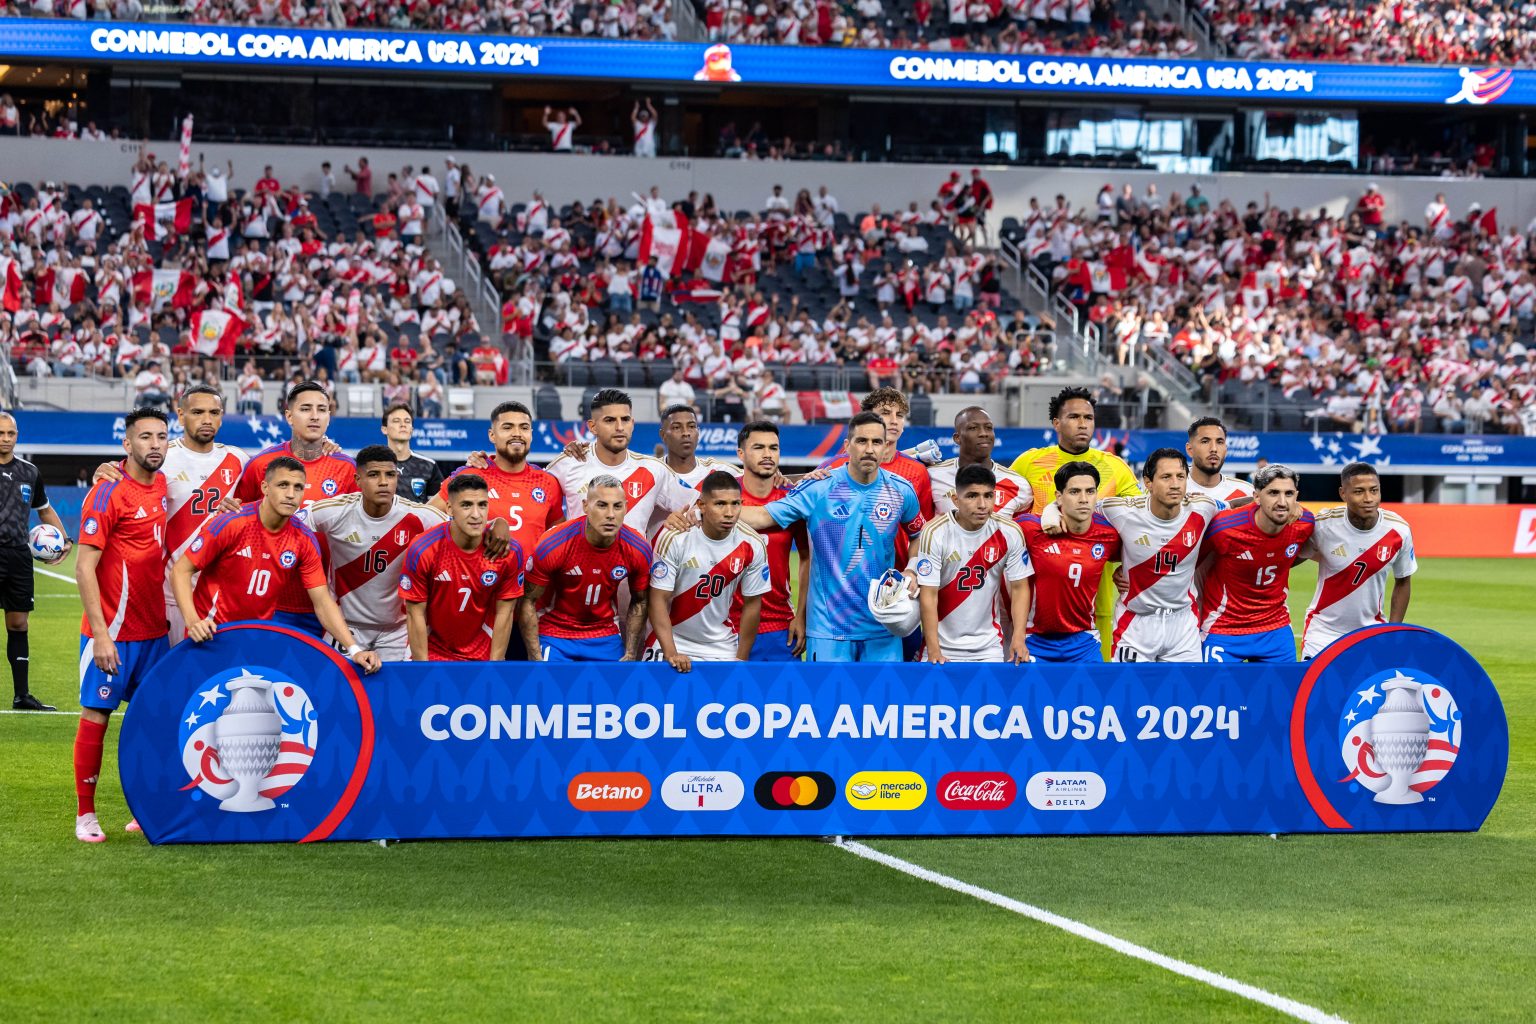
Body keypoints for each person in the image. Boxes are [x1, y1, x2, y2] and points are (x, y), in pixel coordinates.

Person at [727, 412, 924, 663]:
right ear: (847, 446)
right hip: (829, 629)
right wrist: (706, 511)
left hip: (882, 627)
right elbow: (763, 516)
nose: (869, 449)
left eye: (877, 442)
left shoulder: (901, 490)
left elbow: (920, 535)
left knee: (881, 701)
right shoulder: (819, 488)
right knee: (831, 702)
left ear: (886, 446)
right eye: (862, 441)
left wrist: (912, 569)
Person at [171, 457, 380, 676]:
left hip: (254, 639)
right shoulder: (231, 522)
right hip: (210, 635)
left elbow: (322, 601)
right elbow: (181, 571)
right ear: (265, 487)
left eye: (298, 487)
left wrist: (354, 649)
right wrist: (193, 621)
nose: (291, 494)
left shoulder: (303, 539)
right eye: (283, 485)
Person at [72, 409, 169, 842]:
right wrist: (101, 635)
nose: (155, 444)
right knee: (97, 715)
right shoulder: (108, 491)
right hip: (112, 633)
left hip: (154, 633)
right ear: (126, 444)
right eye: (145, 437)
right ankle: (85, 815)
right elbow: (83, 567)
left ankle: (143, 809)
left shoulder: (165, 484)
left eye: (161, 437)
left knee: (154, 720)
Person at [95, 384, 250, 645]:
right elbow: (127, 482)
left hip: (220, 596)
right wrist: (104, 469)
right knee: (171, 680)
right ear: (180, 415)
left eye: (214, 412)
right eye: (198, 412)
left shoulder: (239, 460)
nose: (206, 419)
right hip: (169, 596)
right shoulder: (164, 456)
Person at [232, 381, 358, 637]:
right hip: (269, 600)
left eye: (322, 409)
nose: (314, 416)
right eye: (306, 409)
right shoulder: (262, 464)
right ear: (289, 416)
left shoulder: (346, 468)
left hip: (326, 601)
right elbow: (239, 523)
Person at [302, 446, 448, 662]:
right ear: (358, 479)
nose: (383, 482)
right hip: (346, 625)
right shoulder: (335, 511)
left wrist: (494, 525)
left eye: (390, 475)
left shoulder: (418, 516)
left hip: (397, 630)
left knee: (397, 692)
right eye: (373, 475)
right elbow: (288, 521)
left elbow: (464, 529)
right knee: (339, 690)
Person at [1087, 449, 1218, 663]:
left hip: (1183, 626)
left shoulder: (1204, 507)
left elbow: (1239, 507)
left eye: (1180, 476)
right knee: (1131, 695)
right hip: (1136, 625)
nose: (1175, 484)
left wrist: (1291, 507)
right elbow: (1080, 508)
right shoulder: (1121, 510)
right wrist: (1052, 512)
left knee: (1186, 696)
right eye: (1166, 477)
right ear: (1147, 482)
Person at [520, 476, 653, 662]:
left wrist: (630, 652)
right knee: (551, 689)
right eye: (601, 505)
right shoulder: (554, 544)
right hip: (555, 634)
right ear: (585, 506)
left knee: (614, 690)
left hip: (604, 634)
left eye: (617, 506)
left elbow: (640, 601)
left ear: (626, 507)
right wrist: (535, 656)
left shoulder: (638, 548)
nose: (610, 515)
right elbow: (528, 601)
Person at [646, 471, 769, 670]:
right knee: (654, 698)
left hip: (721, 646)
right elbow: (657, 599)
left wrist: (741, 659)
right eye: (720, 504)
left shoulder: (753, 544)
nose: (729, 512)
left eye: (735, 504)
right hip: (671, 639)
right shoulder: (676, 537)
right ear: (701, 505)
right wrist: (672, 653)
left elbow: (752, 604)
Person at [432, 401, 564, 586]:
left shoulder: (548, 482)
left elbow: (557, 538)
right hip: (478, 590)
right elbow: (427, 518)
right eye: (508, 427)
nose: (517, 433)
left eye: (524, 427)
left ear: (531, 435)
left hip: (531, 594)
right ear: (492, 435)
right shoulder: (470, 475)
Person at [911, 464, 1031, 664]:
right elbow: (928, 595)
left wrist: (1019, 637)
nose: (982, 504)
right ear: (956, 500)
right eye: (972, 496)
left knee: (988, 696)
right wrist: (933, 649)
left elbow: (1020, 588)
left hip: (989, 648)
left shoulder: (1009, 531)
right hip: (941, 648)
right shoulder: (934, 533)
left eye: (988, 495)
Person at [1198, 464, 1315, 663]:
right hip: (1224, 628)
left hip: (1275, 628)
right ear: (1257, 496)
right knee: (1215, 693)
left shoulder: (1305, 524)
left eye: (1288, 493)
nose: (1282, 501)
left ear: (1297, 496)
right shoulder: (1224, 528)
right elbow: (1190, 560)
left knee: (1283, 693)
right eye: (1273, 493)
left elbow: (1299, 554)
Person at [1298, 462, 1416, 659]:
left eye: (1374, 490)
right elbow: (1290, 558)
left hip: (1371, 632)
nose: (1368, 498)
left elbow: (1403, 581)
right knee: (1318, 689)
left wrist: (1393, 630)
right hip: (1323, 632)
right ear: (1343, 494)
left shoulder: (1399, 530)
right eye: (1359, 492)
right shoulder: (1324, 524)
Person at [400, 474, 522, 662]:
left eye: (482, 505)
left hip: (482, 655)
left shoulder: (508, 552)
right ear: (449, 508)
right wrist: (421, 669)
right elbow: (415, 613)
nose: (476, 514)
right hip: (432, 652)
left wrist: (495, 666)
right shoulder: (423, 549)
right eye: (466, 505)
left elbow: (504, 613)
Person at [545, 389, 697, 534]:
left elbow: (699, 503)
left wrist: (672, 519)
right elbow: (535, 502)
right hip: (578, 561)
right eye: (610, 420)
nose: (619, 427)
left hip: (635, 561)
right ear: (593, 426)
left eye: (625, 420)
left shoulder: (654, 470)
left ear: (632, 423)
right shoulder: (568, 463)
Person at [0, 413, 73, 711]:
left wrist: (65, 540)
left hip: (18, 555)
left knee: (18, 623)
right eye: (0, 433)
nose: (5, 438)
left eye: (10, 433)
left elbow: (44, 510)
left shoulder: (29, 472)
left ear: (17, 435)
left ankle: (22, 696)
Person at [1015, 462, 1122, 663]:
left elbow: (1138, 552)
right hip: (1034, 640)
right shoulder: (1030, 528)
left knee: (1092, 694)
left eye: (1090, 491)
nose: (1083, 499)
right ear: (1058, 496)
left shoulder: (1109, 534)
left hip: (1084, 641)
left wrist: (1125, 569)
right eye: (1074, 492)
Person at [735, 421, 809, 661]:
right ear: (741, 453)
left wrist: (801, 616)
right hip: (726, 625)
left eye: (773, 448)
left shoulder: (792, 500)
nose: (768, 454)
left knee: (785, 697)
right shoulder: (722, 496)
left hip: (780, 626)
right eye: (758, 447)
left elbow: (807, 558)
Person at [1009, 386, 1140, 513]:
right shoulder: (1028, 462)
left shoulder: (1116, 467)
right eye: (1074, 417)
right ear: (1057, 423)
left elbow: (1141, 516)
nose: (1083, 425)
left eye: (1088, 418)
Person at [928, 406, 1033, 518]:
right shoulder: (933, 475)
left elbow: (1021, 528)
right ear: (957, 438)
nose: (984, 433)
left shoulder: (1019, 485)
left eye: (988, 428)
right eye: (973, 428)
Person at [658, 403, 737, 488]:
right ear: (663, 435)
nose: (686, 433)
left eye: (691, 426)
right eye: (677, 427)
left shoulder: (719, 471)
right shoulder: (651, 473)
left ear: (698, 433)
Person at [1184, 416, 1254, 506]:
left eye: (1219, 442)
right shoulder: (1172, 489)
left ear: (1226, 450)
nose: (1214, 449)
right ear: (1190, 449)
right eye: (1205, 441)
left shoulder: (1247, 492)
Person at [381, 403, 443, 502]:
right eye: (396, 421)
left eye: (407, 421)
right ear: (384, 429)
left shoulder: (429, 465)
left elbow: (438, 508)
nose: (403, 425)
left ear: (411, 430)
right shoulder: (374, 464)